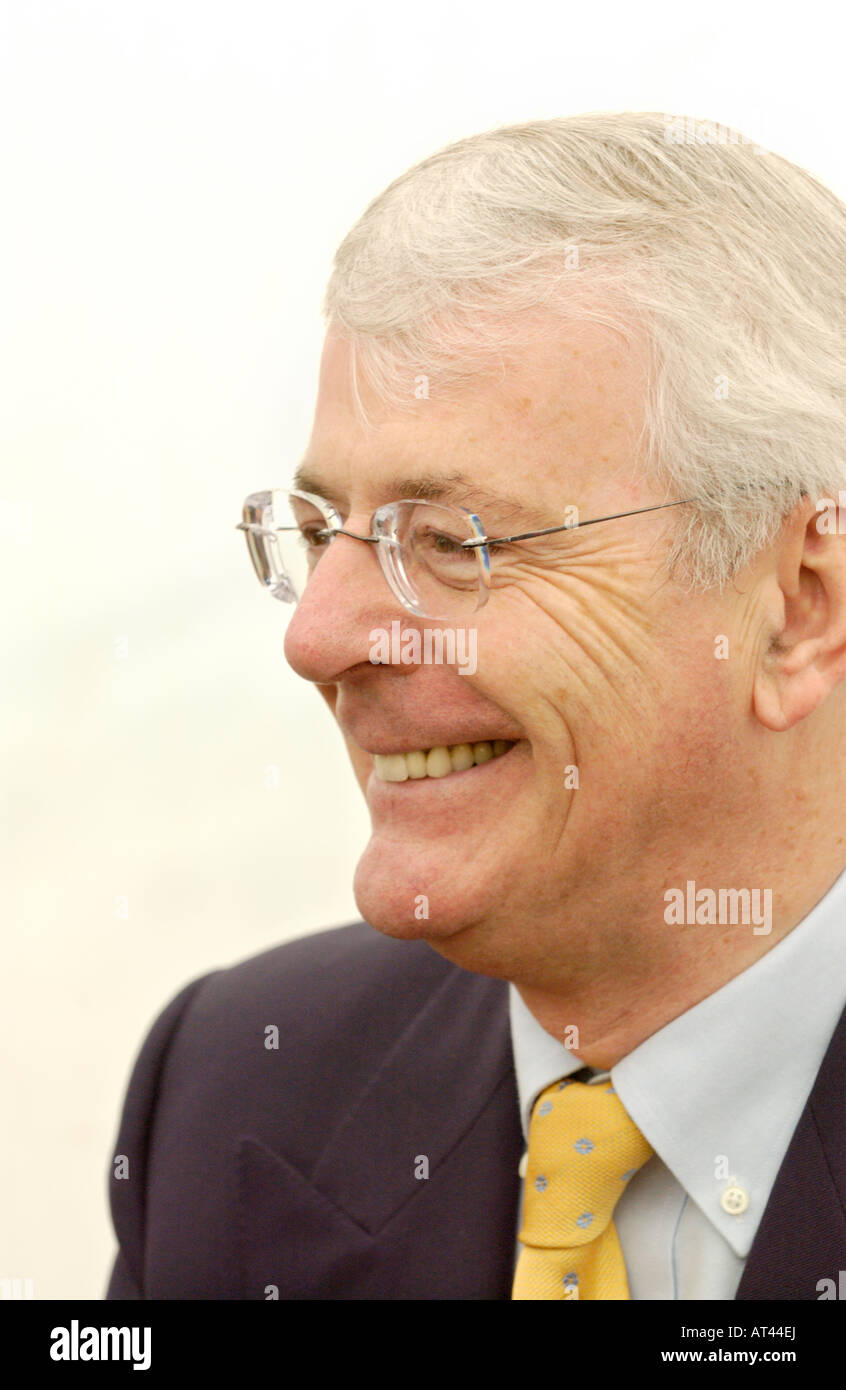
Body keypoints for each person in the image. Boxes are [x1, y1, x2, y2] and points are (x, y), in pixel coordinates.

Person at [105, 112, 846, 1300]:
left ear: (800, 606)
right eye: (321, 532)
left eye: (452, 542)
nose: (318, 637)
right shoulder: (232, 1093)